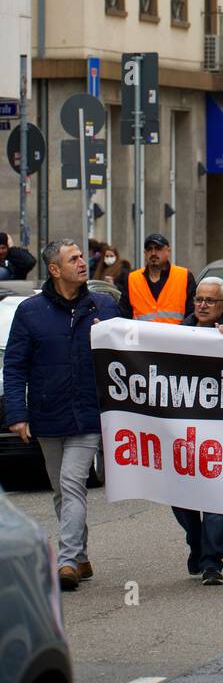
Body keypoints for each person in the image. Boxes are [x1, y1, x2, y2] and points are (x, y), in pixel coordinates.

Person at [3, 239, 120, 590]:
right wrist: (17, 413)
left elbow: (130, 351)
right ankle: (81, 556)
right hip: (47, 414)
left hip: (88, 413)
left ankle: (67, 561)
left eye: (82, 256)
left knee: (72, 484)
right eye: (73, 259)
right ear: (55, 270)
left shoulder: (103, 306)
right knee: (61, 490)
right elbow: (15, 366)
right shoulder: (31, 311)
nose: (83, 262)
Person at [172, 278, 223, 584]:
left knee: (215, 496)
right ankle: (195, 540)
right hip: (182, 426)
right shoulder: (176, 333)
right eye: (198, 299)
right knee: (180, 495)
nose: (201, 305)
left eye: (210, 301)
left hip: (221, 427)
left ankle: (212, 561)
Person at [116, 233, 195, 323]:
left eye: (158, 248)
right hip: (142, 336)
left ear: (168, 251)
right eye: (149, 249)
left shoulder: (184, 276)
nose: (153, 253)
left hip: (175, 336)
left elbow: (192, 314)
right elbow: (123, 314)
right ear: (145, 253)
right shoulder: (132, 279)